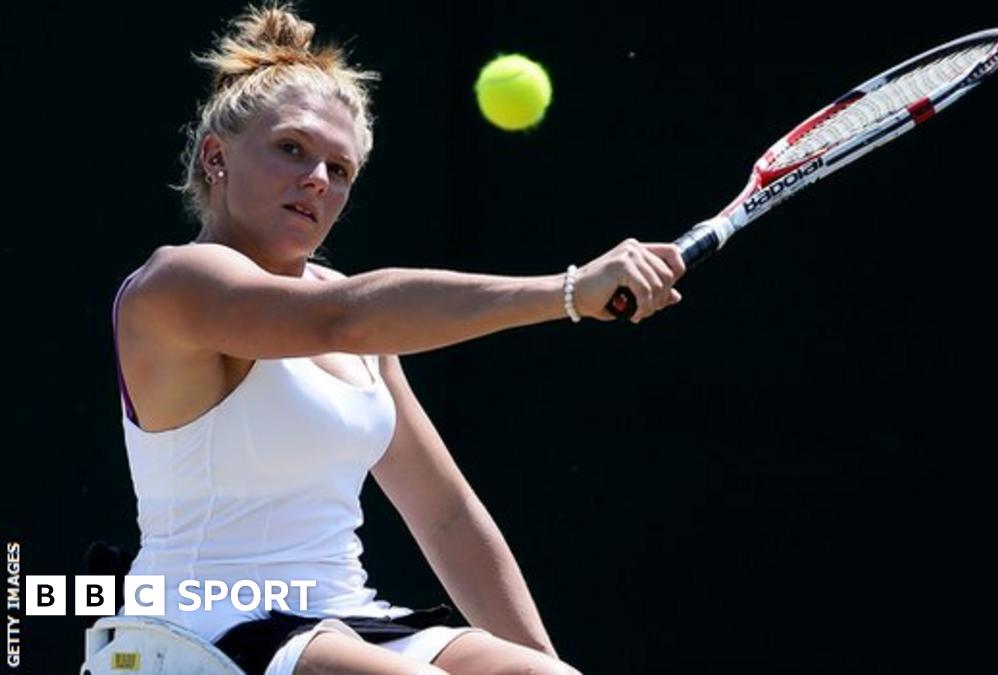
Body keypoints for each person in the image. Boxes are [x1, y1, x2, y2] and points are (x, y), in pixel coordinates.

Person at [110, 4, 684, 674]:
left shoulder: (357, 320)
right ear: (216, 157)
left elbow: (444, 513)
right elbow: (339, 317)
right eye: (291, 149)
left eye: (340, 169)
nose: (317, 180)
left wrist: (541, 668)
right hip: (197, 627)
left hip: (346, 619)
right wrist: (568, 291)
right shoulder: (178, 280)